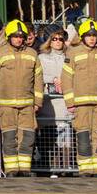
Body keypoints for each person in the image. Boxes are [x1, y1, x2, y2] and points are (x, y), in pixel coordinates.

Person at [0, 20, 43, 176]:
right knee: (10, 137)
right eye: (16, 36)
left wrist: (37, 102)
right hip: (6, 105)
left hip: (27, 105)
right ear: (9, 36)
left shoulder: (32, 54)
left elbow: (38, 79)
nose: (19, 39)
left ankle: (25, 168)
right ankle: (11, 169)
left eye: (21, 36)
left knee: (28, 137)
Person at [61, 18, 97, 176]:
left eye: (94, 35)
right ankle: (85, 169)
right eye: (88, 35)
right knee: (84, 135)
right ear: (82, 36)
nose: (91, 38)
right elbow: (66, 79)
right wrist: (70, 102)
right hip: (81, 104)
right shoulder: (73, 53)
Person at [37, 28, 73, 172]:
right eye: (54, 39)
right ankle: (48, 168)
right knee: (48, 138)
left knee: (65, 140)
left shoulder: (69, 57)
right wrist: (52, 79)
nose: (58, 42)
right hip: (49, 104)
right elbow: (37, 76)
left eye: (61, 39)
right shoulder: (42, 58)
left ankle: (65, 168)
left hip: (65, 103)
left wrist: (64, 81)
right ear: (49, 41)